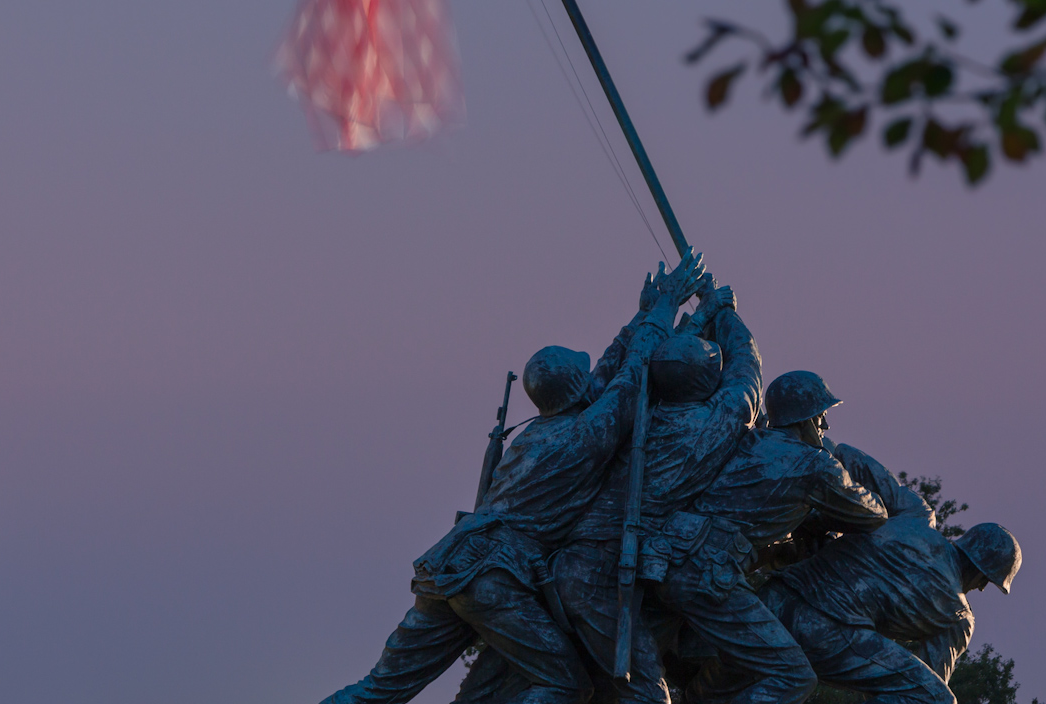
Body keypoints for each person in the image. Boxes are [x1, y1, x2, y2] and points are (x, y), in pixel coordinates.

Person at [321, 261, 699, 704]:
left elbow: (607, 372)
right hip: (493, 577)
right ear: (577, 393)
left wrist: (644, 314)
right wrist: (664, 308)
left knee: (379, 690)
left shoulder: (542, 430)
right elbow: (630, 380)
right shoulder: (583, 437)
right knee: (566, 685)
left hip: (450, 564)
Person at [541, 272, 762, 704]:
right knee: (646, 696)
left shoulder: (628, 421)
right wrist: (728, 315)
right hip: (602, 578)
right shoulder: (708, 428)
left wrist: (694, 314)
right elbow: (747, 375)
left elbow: (639, 366)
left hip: (566, 568)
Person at [648, 370, 889, 704]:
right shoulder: (816, 465)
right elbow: (872, 513)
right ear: (804, 419)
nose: (826, 427)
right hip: (707, 576)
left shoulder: (748, 441)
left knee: (731, 666)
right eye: (821, 417)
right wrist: (821, 514)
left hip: (664, 562)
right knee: (793, 677)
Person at [755, 444, 1022, 704]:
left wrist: (818, 519)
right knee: (936, 698)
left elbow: (848, 456)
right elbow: (929, 682)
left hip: (775, 598)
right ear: (981, 572)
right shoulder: (957, 618)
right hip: (827, 634)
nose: (982, 588)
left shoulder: (916, 515)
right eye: (987, 580)